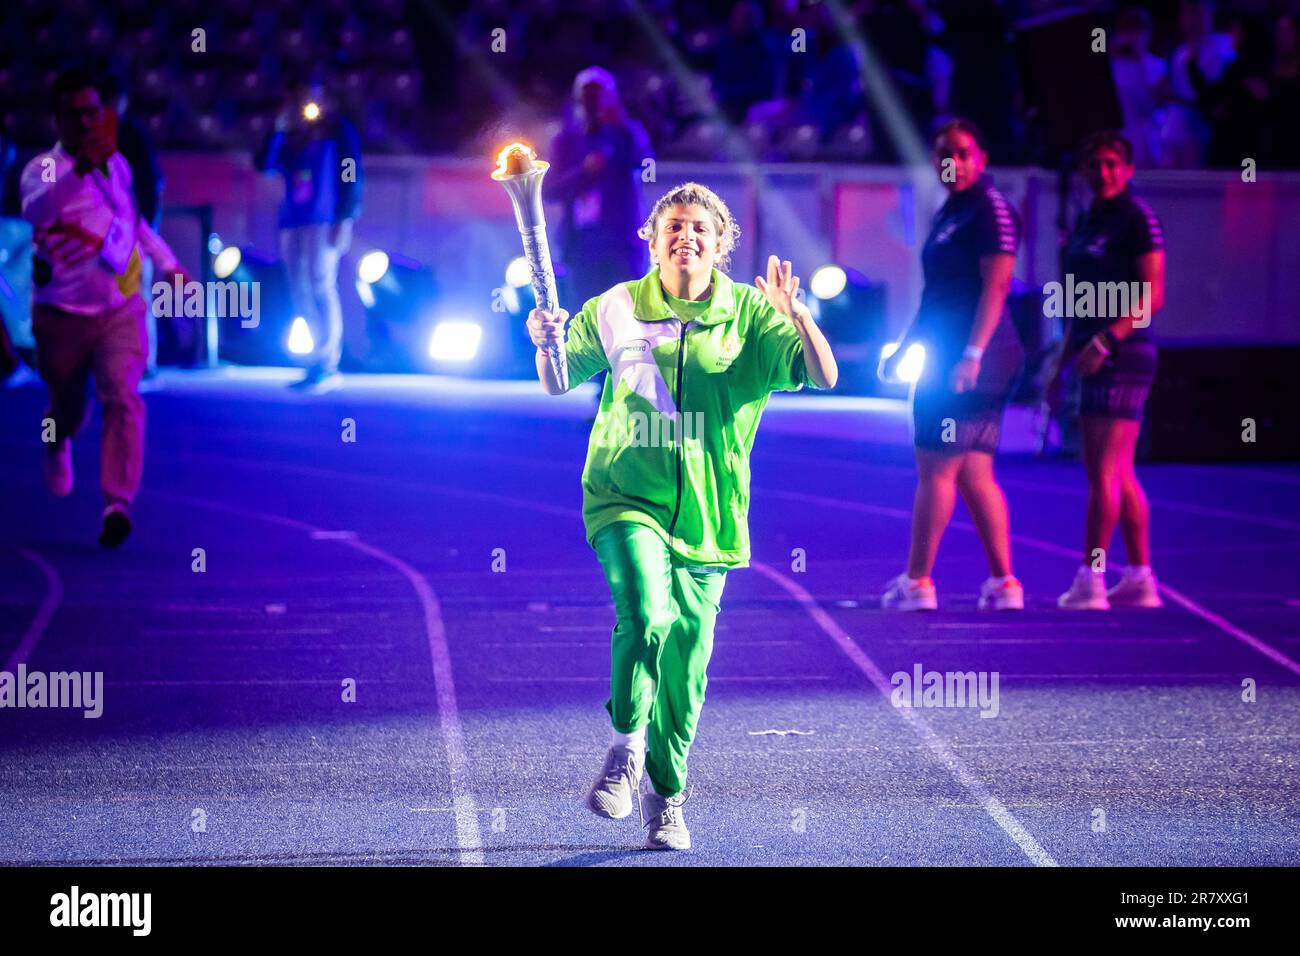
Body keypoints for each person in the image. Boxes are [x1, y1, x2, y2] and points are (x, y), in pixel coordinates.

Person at [526, 182, 837, 850]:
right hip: (623, 494)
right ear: (652, 237)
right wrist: (543, 339)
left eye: (700, 228)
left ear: (722, 244)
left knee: (687, 670)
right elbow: (557, 379)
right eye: (673, 226)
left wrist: (798, 315)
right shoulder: (616, 307)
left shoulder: (751, 313)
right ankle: (623, 749)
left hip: (710, 513)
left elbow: (823, 374)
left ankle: (666, 798)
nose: (685, 237)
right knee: (645, 611)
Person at [20, 68, 187, 547]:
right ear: (58, 120)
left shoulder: (118, 165)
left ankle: (118, 502)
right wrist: (82, 170)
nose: (86, 122)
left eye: (93, 112)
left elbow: (131, 223)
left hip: (118, 306)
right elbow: (37, 209)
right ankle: (56, 441)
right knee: (66, 410)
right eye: (74, 115)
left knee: (122, 393)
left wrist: (169, 263)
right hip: (60, 315)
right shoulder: (45, 168)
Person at [879, 119, 1024, 612]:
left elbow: (997, 286)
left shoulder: (990, 209)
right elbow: (935, 295)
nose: (953, 163)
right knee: (975, 471)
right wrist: (904, 347)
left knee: (935, 469)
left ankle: (918, 582)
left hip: (972, 357)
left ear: (981, 158)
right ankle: (1005, 584)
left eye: (963, 153)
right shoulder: (952, 212)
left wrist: (971, 355)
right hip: (954, 353)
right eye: (944, 153)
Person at [1056, 131, 1165, 610]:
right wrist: (1062, 360)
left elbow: (1152, 295)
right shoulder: (1089, 220)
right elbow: (1078, 300)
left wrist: (1107, 338)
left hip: (1122, 352)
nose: (1103, 173)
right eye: (1095, 165)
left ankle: (1092, 577)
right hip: (1089, 350)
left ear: (1129, 168)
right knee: (1116, 472)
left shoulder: (1136, 219)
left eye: (1112, 164)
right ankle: (1140, 577)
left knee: (1104, 469)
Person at [255, 76, 362, 391]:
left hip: (325, 218)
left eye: (311, 97)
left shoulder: (338, 129)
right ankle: (316, 357)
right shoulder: (292, 133)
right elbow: (265, 164)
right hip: (293, 219)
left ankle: (327, 361)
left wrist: (345, 217)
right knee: (298, 287)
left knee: (320, 283)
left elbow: (352, 172)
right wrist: (277, 128)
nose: (306, 104)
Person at [548, 66, 653, 309]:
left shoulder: (626, 134)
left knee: (627, 316)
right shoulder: (566, 140)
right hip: (581, 247)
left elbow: (646, 164)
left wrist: (622, 128)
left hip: (621, 245)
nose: (593, 104)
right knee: (585, 316)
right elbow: (550, 190)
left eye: (599, 96)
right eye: (587, 97)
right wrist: (583, 172)